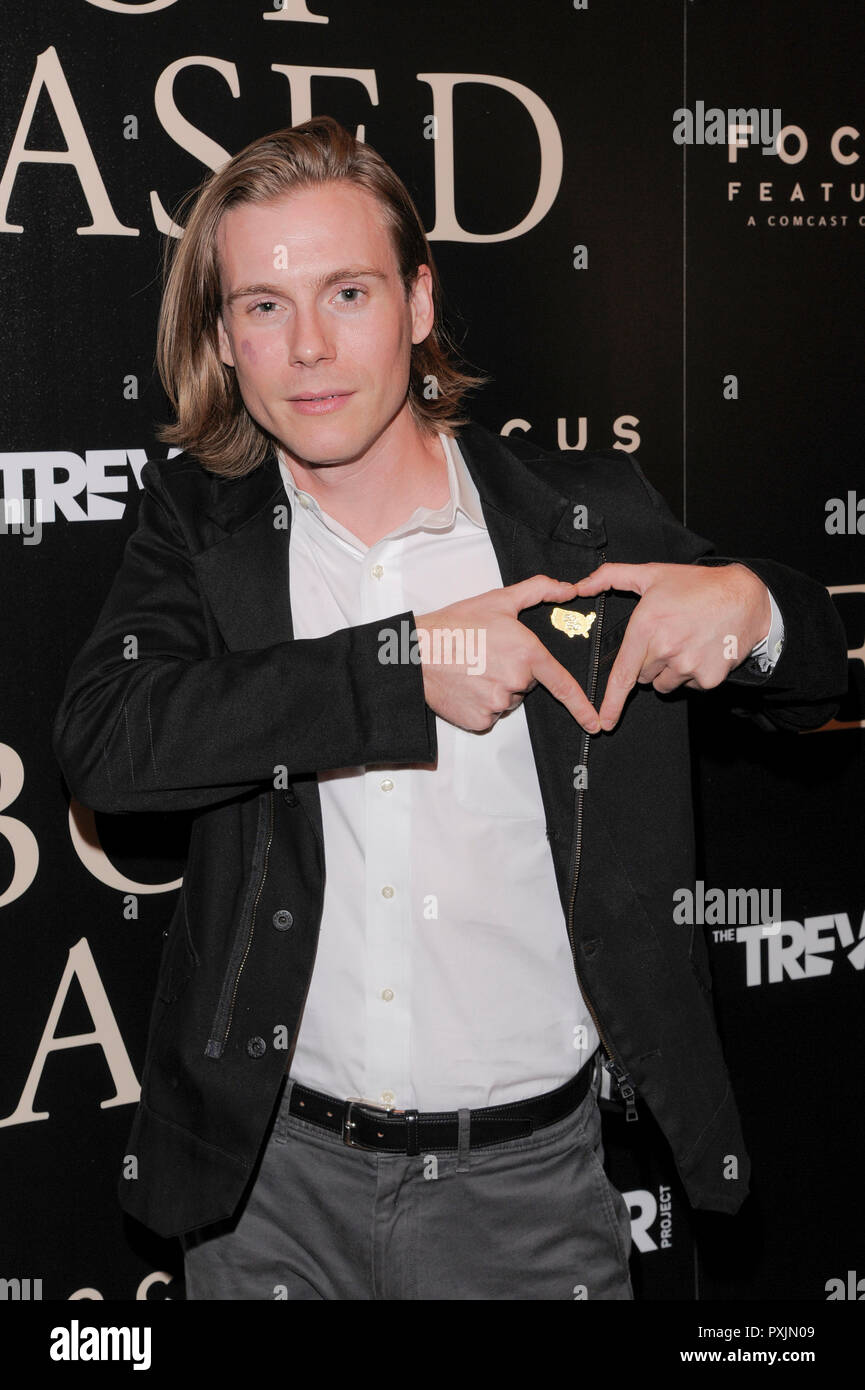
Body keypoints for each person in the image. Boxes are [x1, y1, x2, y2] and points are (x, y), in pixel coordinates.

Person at [52, 116, 848, 1301]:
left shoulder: (579, 522)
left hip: (530, 1198)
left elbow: (814, 672)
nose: (310, 347)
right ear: (225, 339)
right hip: (270, 1195)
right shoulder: (200, 531)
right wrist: (400, 667)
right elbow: (110, 746)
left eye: (349, 293)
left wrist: (748, 605)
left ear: (420, 303)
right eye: (264, 307)